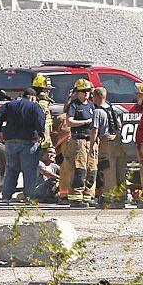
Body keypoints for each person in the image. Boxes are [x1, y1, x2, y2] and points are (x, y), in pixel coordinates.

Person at [0, 86, 47, 204]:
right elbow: (40, 119)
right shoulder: (34, 106)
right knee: (29, 171)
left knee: (11, 169)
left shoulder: (10, 105)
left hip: (10, 141)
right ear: (33, 98)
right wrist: (40, 133)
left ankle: (6, 197)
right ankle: (29, 198)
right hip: (28, 141)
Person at [92, 86, 128, 208]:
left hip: (106, 141)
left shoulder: (98, 112)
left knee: (108, 170)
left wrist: (92, 145)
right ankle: (121, 196)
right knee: (119, 169)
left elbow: (95, 130)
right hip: (117, 140)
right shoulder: (113, 109)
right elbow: (119, 124)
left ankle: (110, 198)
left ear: (96, 97)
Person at [65, 79, 98, 208]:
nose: (86, 93)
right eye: (83, 91)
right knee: (79, 169)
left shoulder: (91, 105)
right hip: (78, 140)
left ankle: (88, 195)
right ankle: (76, 197)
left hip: (91, 140)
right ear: (77, 93)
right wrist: (85, 122)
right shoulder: (74, 105)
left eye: (88, 91)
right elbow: (69, 122)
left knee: (92, 168)